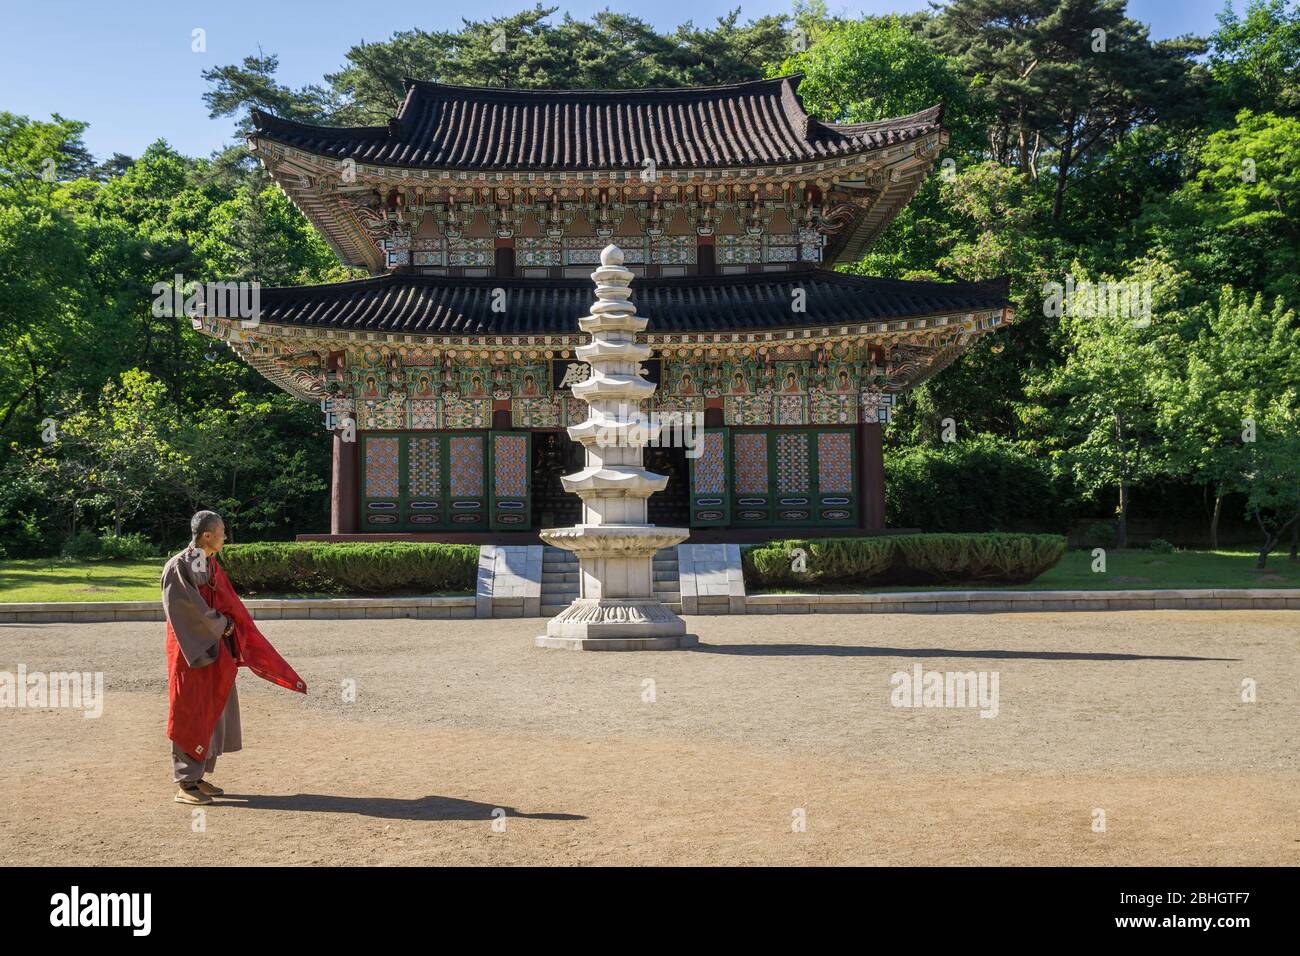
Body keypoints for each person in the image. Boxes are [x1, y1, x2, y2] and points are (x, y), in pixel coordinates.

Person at [162, 511, 306, 805]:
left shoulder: (207, 562)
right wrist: (221, 624)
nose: (225, 537)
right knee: (191, 709)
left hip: (214, 646)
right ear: (206, 536)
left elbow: (221, 600)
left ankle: (198, 776)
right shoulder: (178, 566)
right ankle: (185, 783)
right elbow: (187, 610)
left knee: (213, 705)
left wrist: (232, 625)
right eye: (222, 532)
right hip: (193, 651)